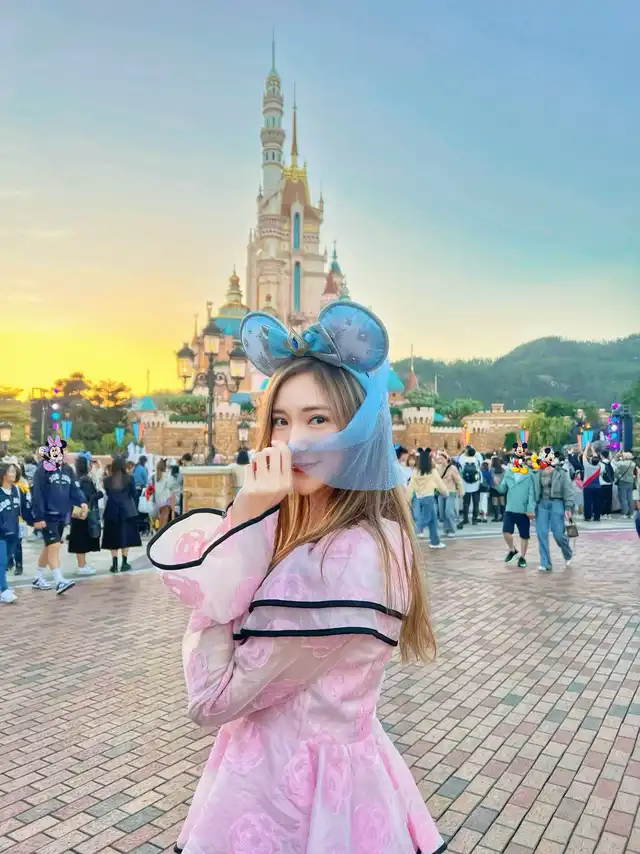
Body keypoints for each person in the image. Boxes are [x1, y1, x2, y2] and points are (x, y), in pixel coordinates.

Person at [148, 301, 445, 854]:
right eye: (281, 422)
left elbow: (211, 700)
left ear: (359, 432)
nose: (293, 442)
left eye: (318, 420)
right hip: (335, 778)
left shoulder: (338, 564)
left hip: (289, 797)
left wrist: (243, 518)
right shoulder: (355, 539)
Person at [31, 451, 87, 594]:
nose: (65, 454)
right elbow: (37, 493)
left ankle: (37, 577)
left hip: (62, 514)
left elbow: (74, 489)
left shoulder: (68, 470)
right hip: (47, 515)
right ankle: (59, 580)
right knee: (54, 546)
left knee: (50, 546)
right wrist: (38, 516)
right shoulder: (43, 469)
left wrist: (81, 501)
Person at [534, 448, 574, 572]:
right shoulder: (536, 473)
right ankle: (545, 563)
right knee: (541, 533)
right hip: (541, 504)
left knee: (558, 534)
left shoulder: (561, 473)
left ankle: (567, 552)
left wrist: (568, 507)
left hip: (557, 503)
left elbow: (568, 490)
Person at [495, 449, 537, 568]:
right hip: (510, 508)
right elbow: (502, 489)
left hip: (523, 510)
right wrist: (496, 483)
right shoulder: (508, 473)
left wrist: (530, 509)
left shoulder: (529, 474)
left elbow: (531, 493)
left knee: (524, 535)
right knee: (506, 532)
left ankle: (522, 557)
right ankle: (512, 549)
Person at [102, 454, 141, 572]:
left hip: (111, 510)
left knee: (112, 537)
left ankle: (114, 564)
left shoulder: (107, 480)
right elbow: (134, 494)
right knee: (126, 536)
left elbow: (108, 493)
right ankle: (124, 563)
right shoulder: (130, 478)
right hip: (127, 511)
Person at [67, 454, 102, 575]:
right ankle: (81, 566)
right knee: (81, 538)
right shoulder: (85, 480)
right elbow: (89, 497)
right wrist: (100, 494)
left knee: (78, 536)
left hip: (75, 511)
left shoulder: (74, 479)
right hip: (83, 511)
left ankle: (82, 563)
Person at [407, 448, 448, 548]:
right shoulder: (432, 471)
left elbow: (410, 487)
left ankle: (435, 542)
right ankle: (409, 535)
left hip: (420, 498)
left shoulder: (415, 472)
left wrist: (407, 499)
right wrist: (446, 493)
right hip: (429, 498)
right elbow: (440, 484)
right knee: (425, 519)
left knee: (433, 521)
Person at [0, 462, 26, 603]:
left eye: (14, 471)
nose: (14, 473)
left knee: (6, 560)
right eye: (11, 471)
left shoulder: (16, 490)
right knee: (2, 563)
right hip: (1, 534)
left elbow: (21, 511)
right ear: (4, 474)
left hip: (13, 533)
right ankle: (4, 590)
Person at [436, 450, 463, 536]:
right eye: (439, 459)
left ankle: (452, 530)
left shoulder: (452, 468)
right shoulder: (437, 468)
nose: (440, 460)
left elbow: (458, 480)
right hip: (441, 493)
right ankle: (446, 530)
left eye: (442, 458)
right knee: (442, 513)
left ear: (446, 459)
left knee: (448, 512)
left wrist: (460, 491)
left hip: (450, 492)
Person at [460, 445, 482, 525]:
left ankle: (465, 519)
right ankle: (474, 519)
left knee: (466, 503)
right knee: (476, 503)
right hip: (476, 485)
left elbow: (460, 464)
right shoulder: (477, 459)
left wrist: (466, 452)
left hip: (465, 485)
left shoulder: (463, 459)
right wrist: (473, 450)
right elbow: (480, 459)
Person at [581, 443, 602, 522]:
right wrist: (592, 449)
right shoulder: (599, 467)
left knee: (588, 502)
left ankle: (588, 516)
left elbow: (583, 456)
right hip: (597, 487)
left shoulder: (587, 466)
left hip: (588, 486)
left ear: (591, 460)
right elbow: (596, 458)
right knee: (597, 502)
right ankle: (597, 517)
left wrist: (587, 447)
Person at [154, 458, 175, 530]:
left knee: (160, 519)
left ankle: (159, 532)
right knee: (165, 519)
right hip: (166, 499)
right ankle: (162, 533)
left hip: (158, 500)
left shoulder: (154, 476)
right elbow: (171, 485)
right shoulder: (166, 476)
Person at [614, 452, 636, 519]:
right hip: (630, 482)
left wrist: (616, 456)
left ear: (625, 457)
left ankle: (624, 513)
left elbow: (614, 462)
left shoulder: (623, 464)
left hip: (623, 482)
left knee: (623, 498)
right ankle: (631, 513)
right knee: (630, 498)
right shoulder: (633, 463)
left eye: (623, 456)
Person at [599, 450, 615, 519]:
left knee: (602, 499)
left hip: (602, 483)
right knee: (609, 499)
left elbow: (599, 472)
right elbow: (614, 470)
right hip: (610, 483)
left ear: (602, 455)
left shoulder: (600, 463)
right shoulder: (611, 463)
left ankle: (603, 513)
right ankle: (608, 513)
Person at [490, 456, 505, 522]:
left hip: (494, 488)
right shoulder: (503, 469)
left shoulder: (492, 469)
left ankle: (496, 517)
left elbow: (491, 477)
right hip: (501, 488)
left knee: (495, 502)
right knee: (502, 502)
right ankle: (503, 516)